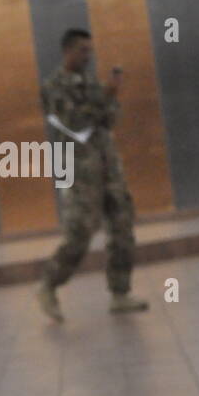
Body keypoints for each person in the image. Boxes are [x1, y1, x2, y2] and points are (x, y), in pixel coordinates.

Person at [36, 28, 148, 322]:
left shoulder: (91, 84)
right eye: (83, 51)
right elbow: (74, 124)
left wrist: (110, 97)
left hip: (109, 166)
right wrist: (104, 97)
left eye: (90, 50)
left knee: (123, 228)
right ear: (68, 51)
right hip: (78, 171)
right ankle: (49, 285)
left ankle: (120, 293)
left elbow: (109, 121)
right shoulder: (53, 86)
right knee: (80, 233)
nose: (89, 56)